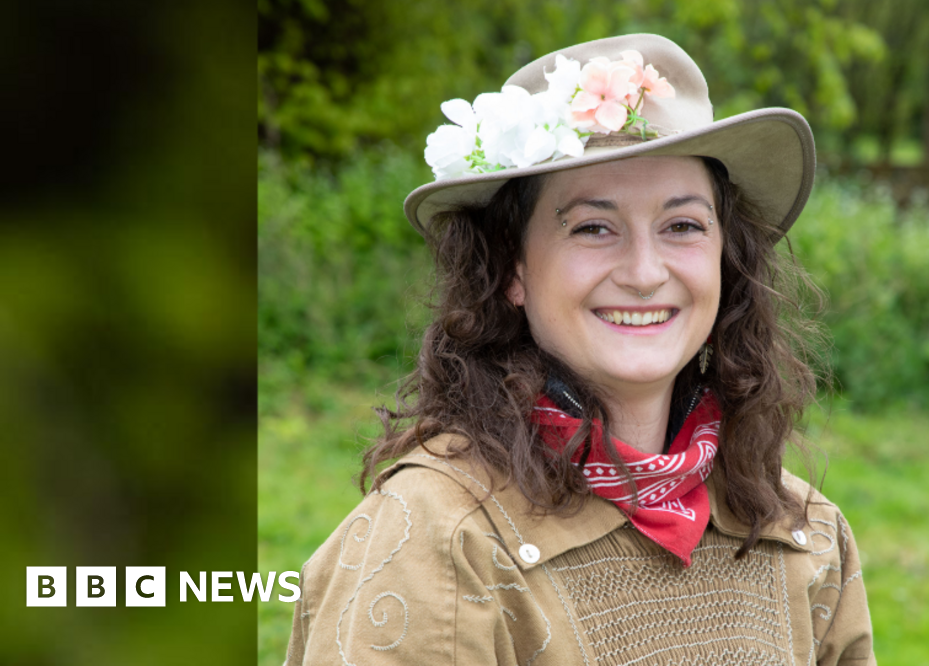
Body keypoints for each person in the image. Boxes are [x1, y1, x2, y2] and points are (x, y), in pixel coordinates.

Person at [285, 34, 874, 666]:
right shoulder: (438, 539)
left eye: (683, 226)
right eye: (594, 226)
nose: (646, 272)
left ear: (726, 260)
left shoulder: (805, 533)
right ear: (512, 269)